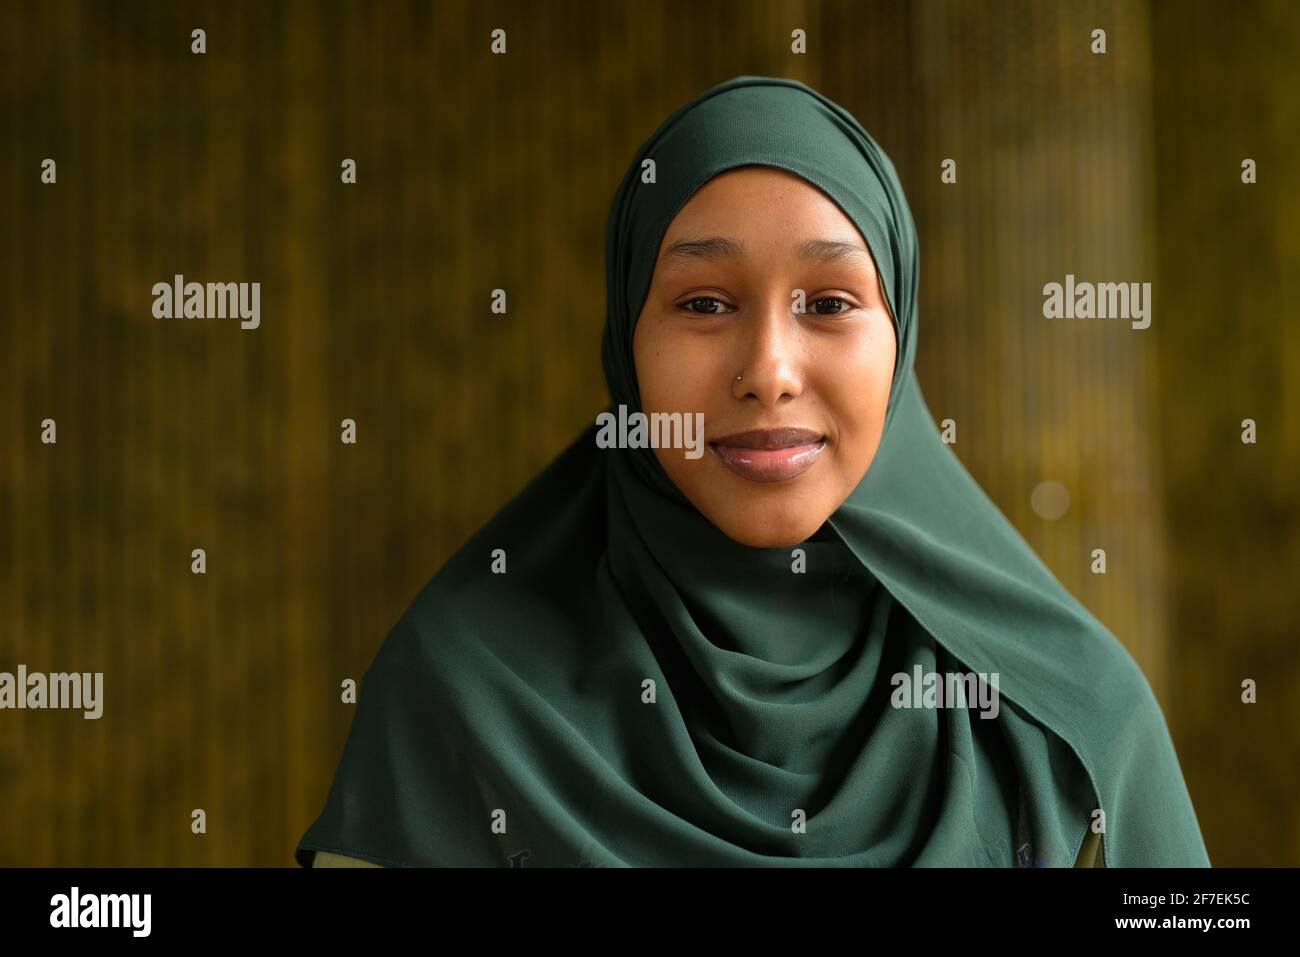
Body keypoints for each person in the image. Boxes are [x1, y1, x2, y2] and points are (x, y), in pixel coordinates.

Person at [295, 76, 1209, 868]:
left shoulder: (1062, 730)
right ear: (626, 342)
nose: (769, 368)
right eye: (702, 302)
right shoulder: (463, 697)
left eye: (829, 302)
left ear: (900, 343)